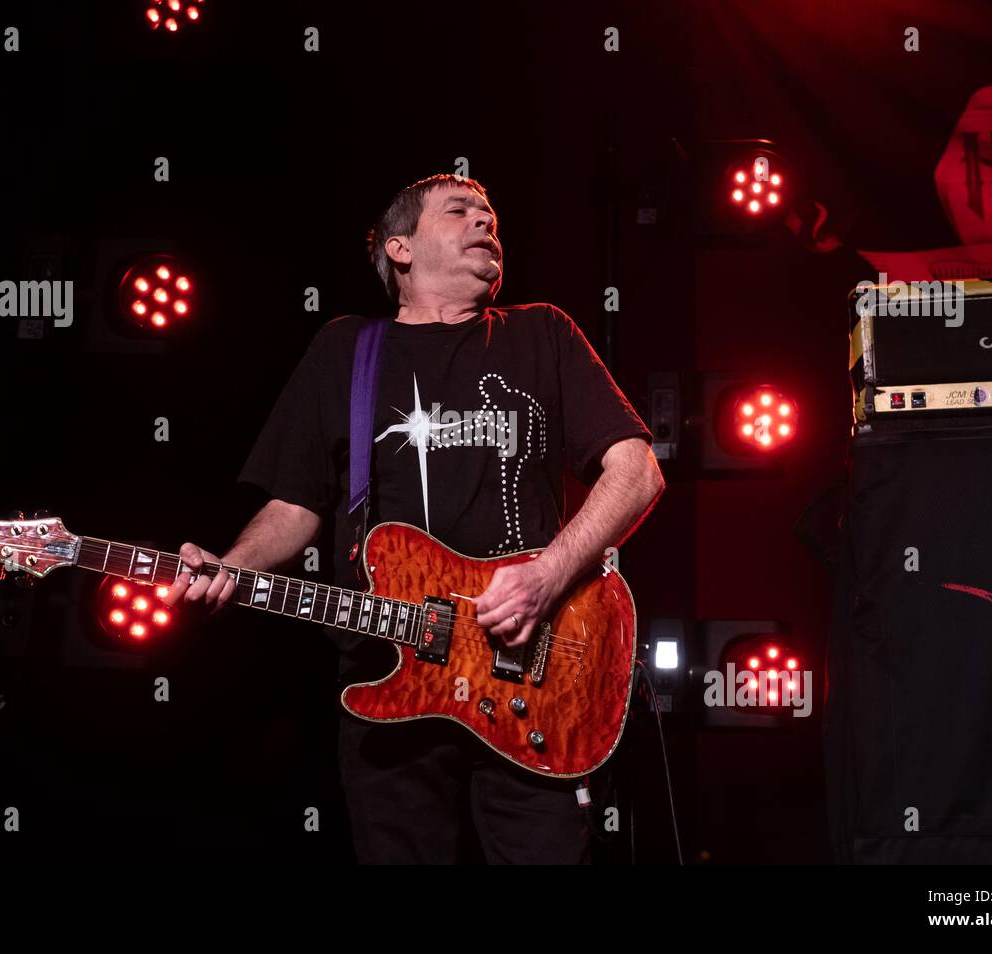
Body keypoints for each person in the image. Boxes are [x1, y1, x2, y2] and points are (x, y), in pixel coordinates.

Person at [165, 173, 664, 863]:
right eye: (459, 211)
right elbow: (295, 504)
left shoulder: (542, 333)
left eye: (491, 214)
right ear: (399, 249)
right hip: (387, 669)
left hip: (534, 672)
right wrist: (234, 567)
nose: (486, 223)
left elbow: (636, 469)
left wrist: (546, 578)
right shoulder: (346, 351)